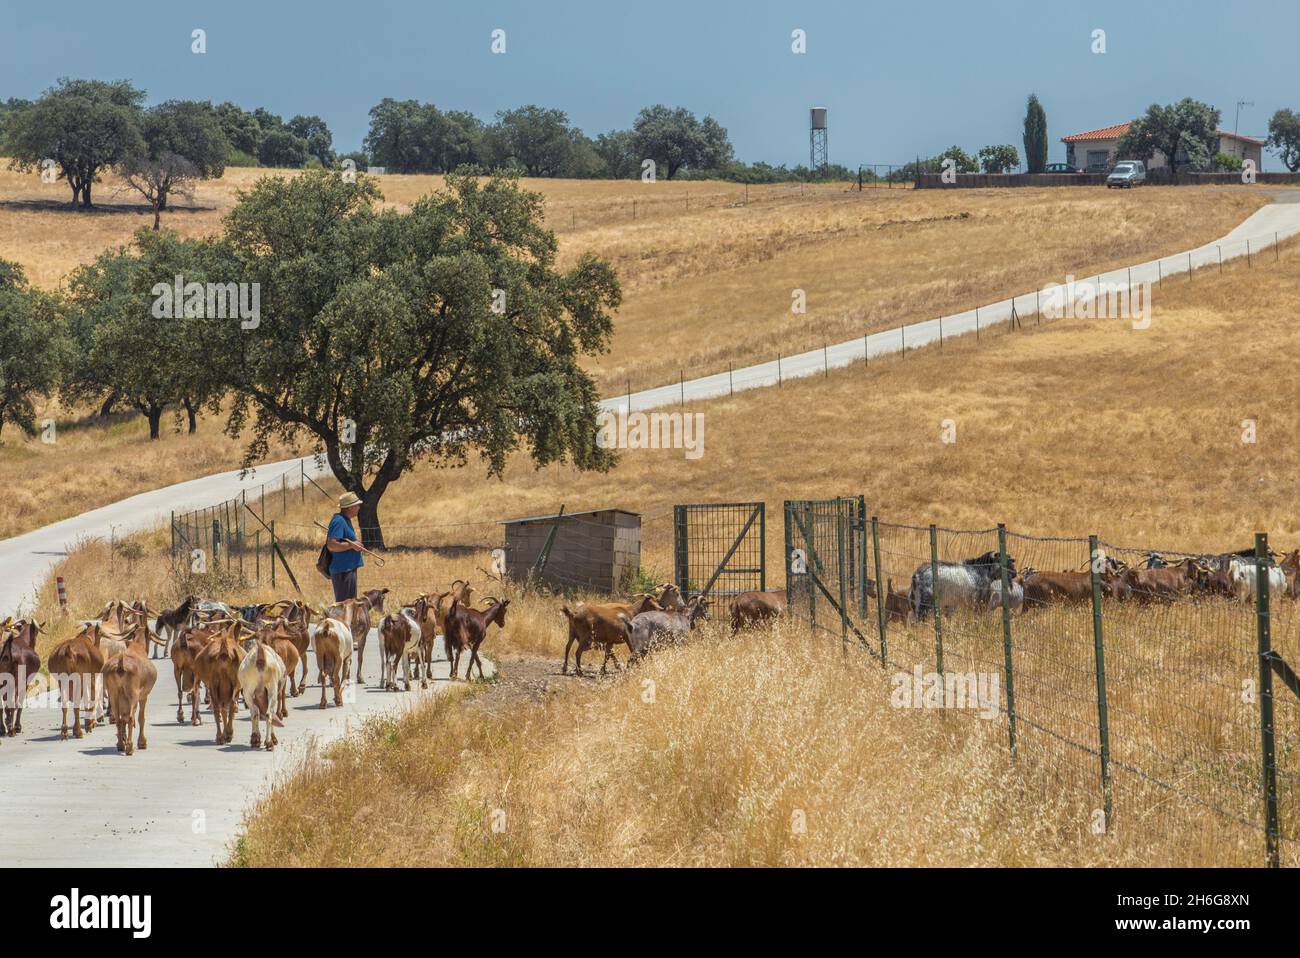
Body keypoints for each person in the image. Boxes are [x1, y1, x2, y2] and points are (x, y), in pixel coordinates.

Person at [326, 492, 365, 602]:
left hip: (348, 568)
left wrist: (354, 545)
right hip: (343, 570)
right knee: (345, 605)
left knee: (350, 604)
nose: (359, 508)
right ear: (350, 507)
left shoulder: (345, 520)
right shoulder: (338, 521)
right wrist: (352, 545)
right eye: (357, 505)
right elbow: (331, 545)